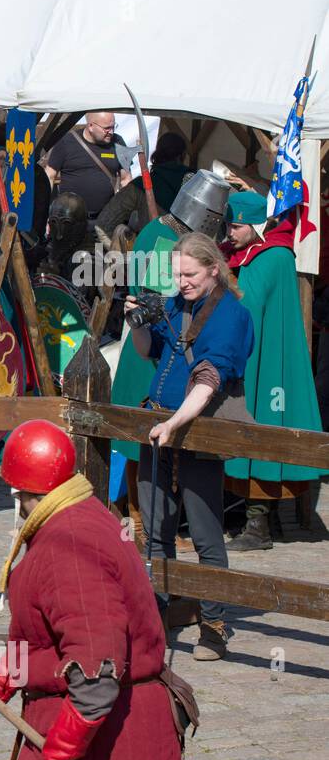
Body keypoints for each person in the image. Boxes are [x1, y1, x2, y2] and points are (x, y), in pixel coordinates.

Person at [0, 420, 201, 760]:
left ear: (17, 492)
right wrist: (8, 674)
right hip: (106, 722)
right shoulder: (83, 510)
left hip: (109, 737)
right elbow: (59, 637)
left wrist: (66, 743)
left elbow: (96, 664)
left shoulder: (67, 543)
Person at [127, 233, 254, 661]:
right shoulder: (174, 305)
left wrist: (174, 423)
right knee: (156, 532)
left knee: (204, 534)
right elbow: (151, 353)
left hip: (198, 433)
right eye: (177, 274)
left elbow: (209, 380)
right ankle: (154, 620)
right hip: (160, 427)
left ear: (214, 269)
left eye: (190, 274)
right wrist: (138, 324)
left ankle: (214, 626)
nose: (181, 282)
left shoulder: (231, 314)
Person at [107, 170, 231, 527]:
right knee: (144, 440)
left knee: (151, 440)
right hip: (154, 350)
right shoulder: (165, 240)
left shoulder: (161, 230)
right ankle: (142, 522)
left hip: (156, 347)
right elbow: (159, 306)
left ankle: (145, 518)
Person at [220, 191, 324, 551]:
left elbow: (247, 300)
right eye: (228, 225)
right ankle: (261, 519)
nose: (230, 233)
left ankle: (259, 524)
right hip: (252, 354)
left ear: (256, 225)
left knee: (262, 429)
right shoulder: (249, 252)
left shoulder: (275, 255)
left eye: (236, 226)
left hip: (267, 362)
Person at [95, 131, 191, 236]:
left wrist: (129, 249)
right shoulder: (195, 183)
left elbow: (103, 225)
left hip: (148, 250)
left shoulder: (138, 186)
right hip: (187, 250)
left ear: (157, 153)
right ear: (183, 155)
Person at [43, 111, 130, 220]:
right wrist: (46, 215)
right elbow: (49, 177)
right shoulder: (66, 142)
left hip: (105, 219)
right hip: (69, 219)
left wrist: (123, 213)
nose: (111, 132)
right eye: (106, 128)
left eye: (113, 127)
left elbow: (126, 179)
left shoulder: (119, 142)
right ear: (91, 126)